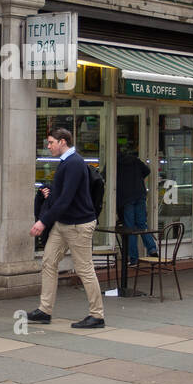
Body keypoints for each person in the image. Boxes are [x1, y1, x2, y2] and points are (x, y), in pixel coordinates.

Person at [28, 127, 105, 329]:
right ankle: (45, 310)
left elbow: (66, 199)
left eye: (51, 142)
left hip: (79, 225)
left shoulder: (74, 163)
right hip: (63, 224)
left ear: (63, 142)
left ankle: (97, 315)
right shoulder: (65, 163)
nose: (49, 146)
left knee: (84, 269)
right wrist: (49, 194)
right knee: (48, 262)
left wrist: (43, 221)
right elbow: (62, 195)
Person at [116, 149, 157, 265]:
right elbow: (147, 170)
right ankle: (152, 249)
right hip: (140, 194)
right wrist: (138, 179)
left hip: (126, 197)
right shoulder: (135, 160)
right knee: (141, 224)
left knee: (130, 228)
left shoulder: (115, 163)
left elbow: (105, 175)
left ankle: (134, 259)